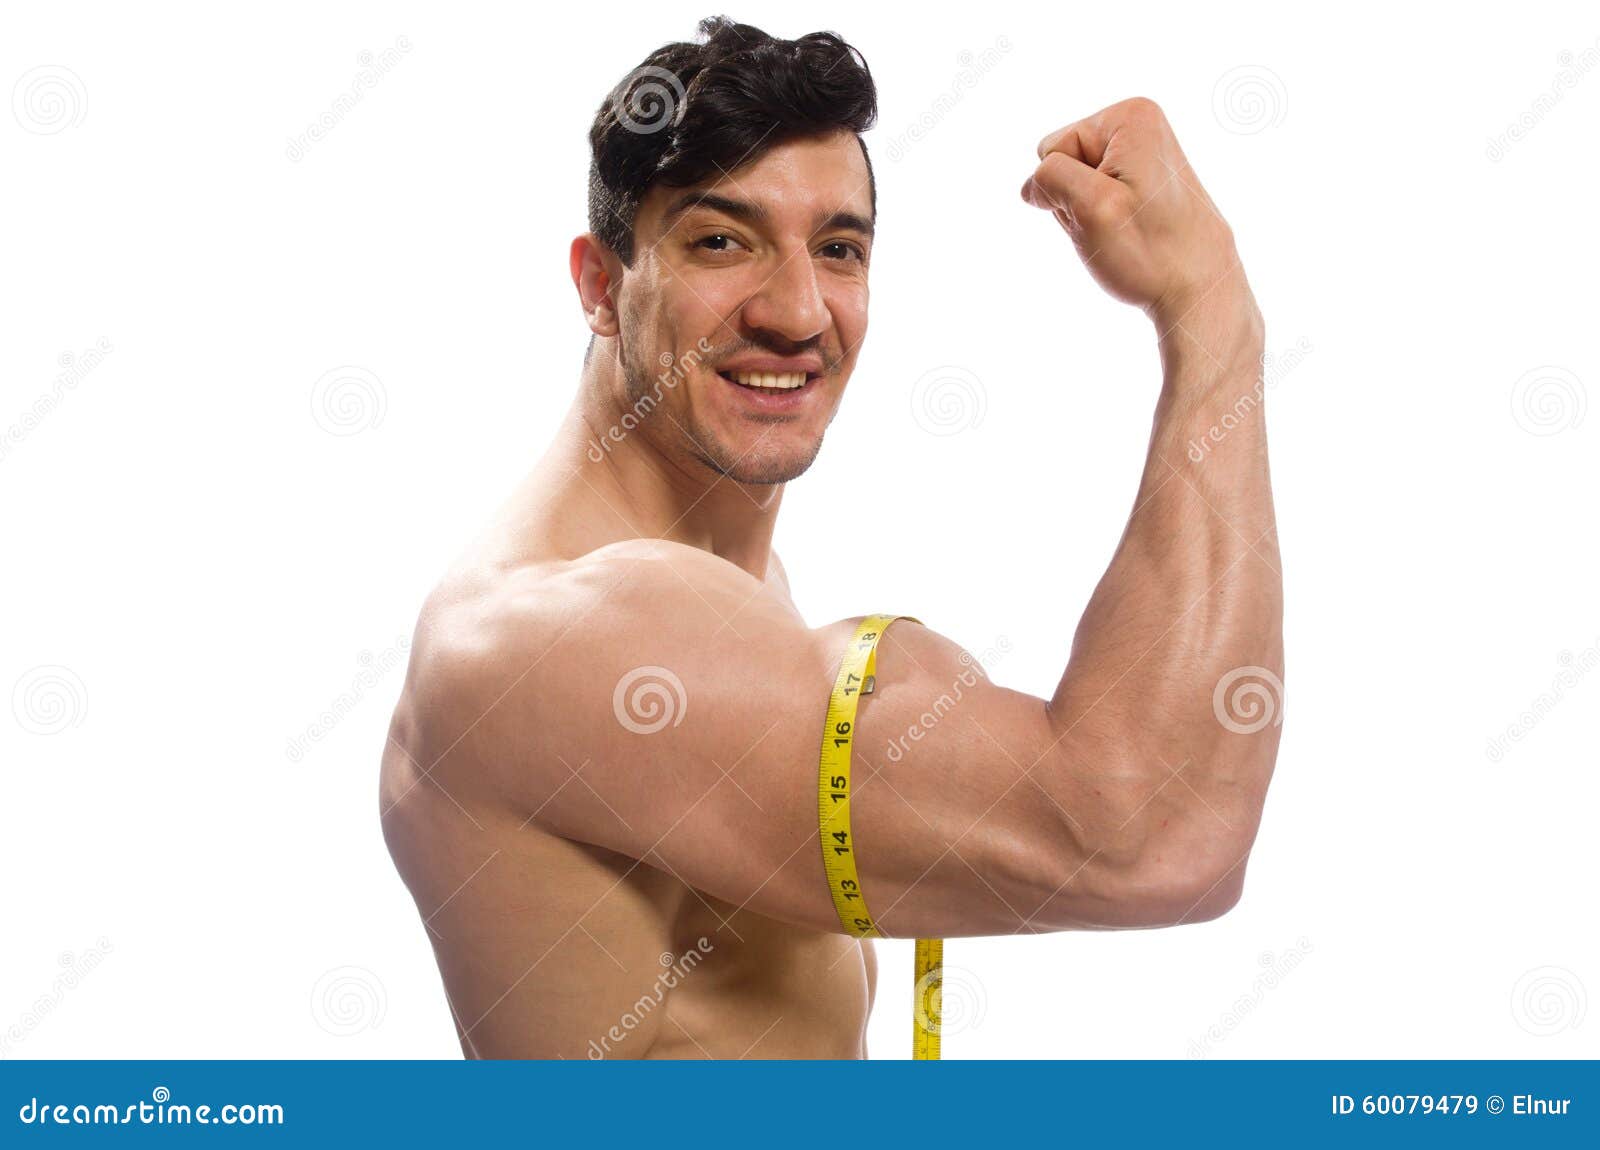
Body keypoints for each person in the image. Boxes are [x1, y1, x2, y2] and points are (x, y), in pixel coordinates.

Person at [379, 15, 1284, 1059]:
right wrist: (1210, 303)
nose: (800, 311)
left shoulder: (718, 588)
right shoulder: (556, 637)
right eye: (722, 240)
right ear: (598, 284)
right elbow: (1154, 838)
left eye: (839, 248)